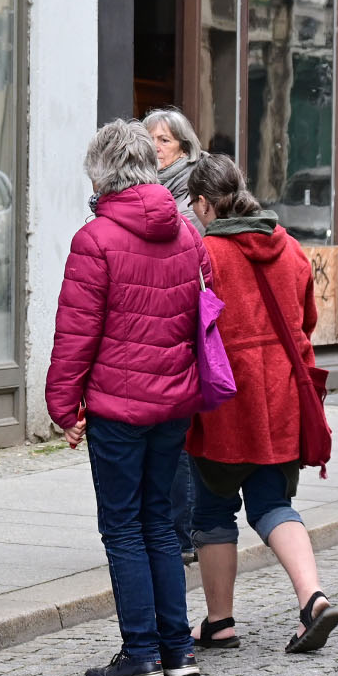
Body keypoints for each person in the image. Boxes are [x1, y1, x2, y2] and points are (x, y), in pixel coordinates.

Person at [45, 118, 209, 676]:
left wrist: (64, 407)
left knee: (122, 527)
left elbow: (76, 333)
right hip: (174, 402)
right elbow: (206, 314)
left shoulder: (96, 239)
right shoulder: (187, 231)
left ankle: (140, 653)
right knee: (160, 524)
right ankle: (178, 649)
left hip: (119, 405)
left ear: (102, 170)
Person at [185, 153, 338, 654]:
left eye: (194, 205)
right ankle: (312, 598)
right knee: (274, 504)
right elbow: (307, 322)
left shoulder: (203, 255)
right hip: (281, 402)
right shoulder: (291, 249)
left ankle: (220, 621)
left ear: (207, 204)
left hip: (224, 402)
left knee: (212, 511)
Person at [143, 106, 206, 563]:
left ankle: (181, 533)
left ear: (183, 148)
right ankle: (166, 527)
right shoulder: (149, 190)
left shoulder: (189, 193)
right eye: (149, 140)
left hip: (183, 327)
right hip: (154, 325)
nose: (154, 148)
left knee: (178, 437)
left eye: (163, 140)